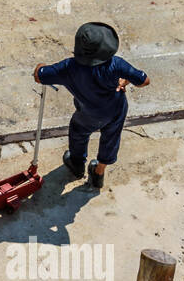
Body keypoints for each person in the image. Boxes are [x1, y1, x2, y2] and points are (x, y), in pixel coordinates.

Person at [32, 22, 149, 190]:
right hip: (116, 108)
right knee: (111, 137)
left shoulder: (68, 68)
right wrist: (125, 81)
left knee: (78, 132)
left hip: (89, 113)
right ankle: (99, 173)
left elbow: (39, 76)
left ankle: (77, 164)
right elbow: (144, 81)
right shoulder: (116, 64)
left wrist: (41, 66)